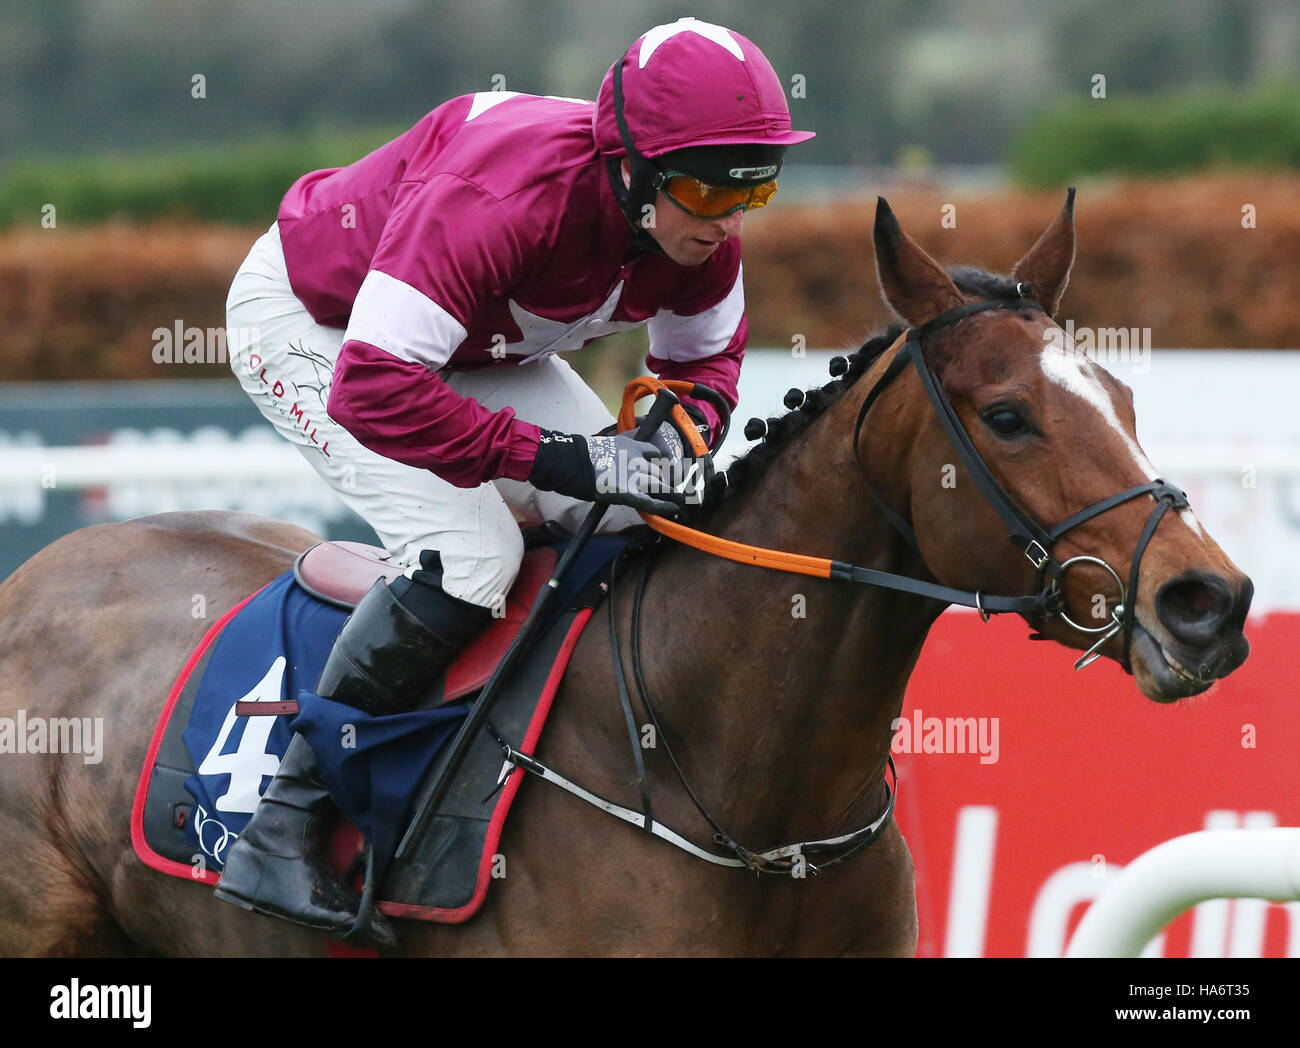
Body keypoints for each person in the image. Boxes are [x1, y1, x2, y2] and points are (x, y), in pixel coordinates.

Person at [214, 16, 813, 940]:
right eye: (704, 192)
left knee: (625, 520)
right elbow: (374, 388)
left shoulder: (706, 238)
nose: (728, 221)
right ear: (632, 169)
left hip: (465, 341)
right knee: (471, 554)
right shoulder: (505, 197)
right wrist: (561, 458)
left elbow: (706, 373)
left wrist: (668, 440)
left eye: (755, 192)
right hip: (322, 329)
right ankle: (285, 824)